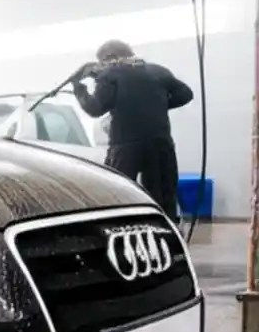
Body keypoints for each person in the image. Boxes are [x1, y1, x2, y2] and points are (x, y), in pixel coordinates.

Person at [70, 40, 194, 221]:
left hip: (126, 146)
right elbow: (186, 94)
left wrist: (79, 89)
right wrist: (156, 105)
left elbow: (95, 109)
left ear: (110, 57)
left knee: (115, 194)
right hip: (160, 144)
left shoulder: (110, 75)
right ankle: (168, 238)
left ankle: (120, 236)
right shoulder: (158, 71)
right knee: (163, 197)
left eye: (102, 62)